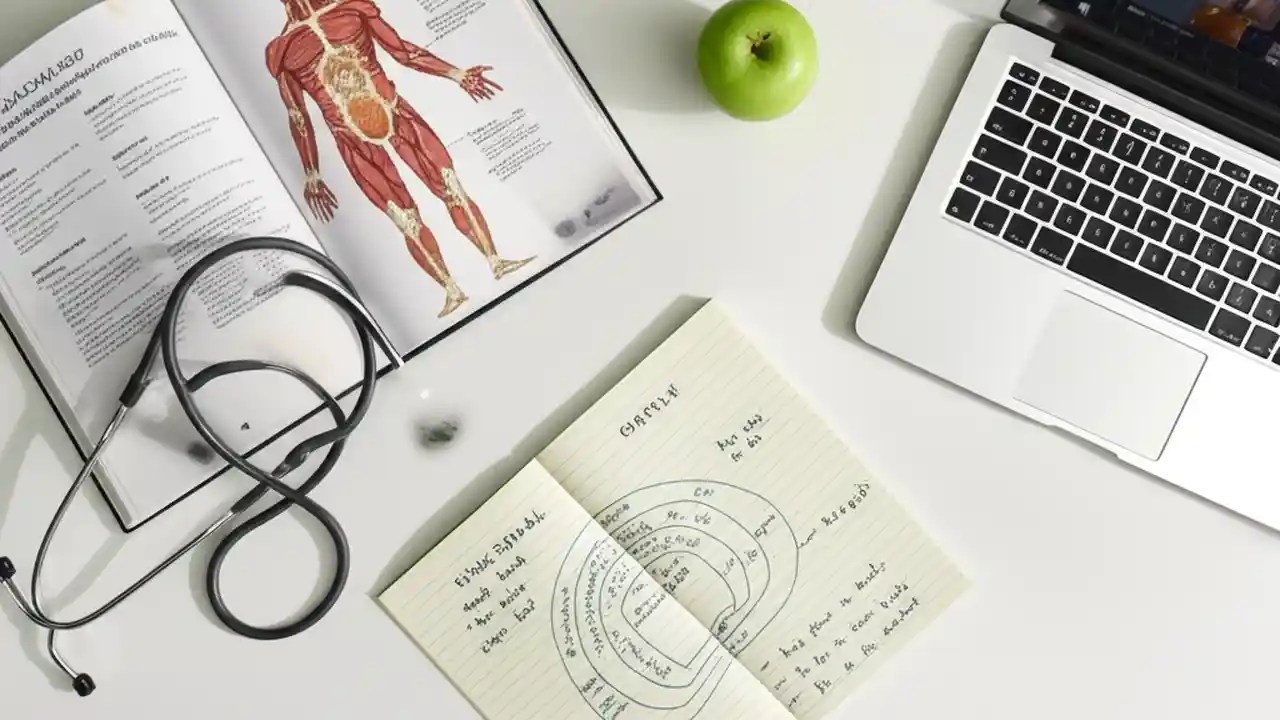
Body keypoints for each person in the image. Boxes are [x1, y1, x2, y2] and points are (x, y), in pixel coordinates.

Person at [267, 0, 534, 317]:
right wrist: (311, 173)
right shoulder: (281, 50)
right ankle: (452, 291)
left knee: (451, 187)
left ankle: (495, 261)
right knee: (406, 219)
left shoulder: (353, 8)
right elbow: (298, 116)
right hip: (352, 139)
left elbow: (404, 52)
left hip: (395, 111)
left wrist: (456, 73)